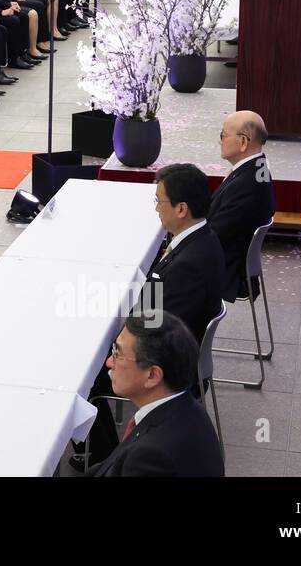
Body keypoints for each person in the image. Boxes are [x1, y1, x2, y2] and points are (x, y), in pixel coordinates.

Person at [85, 162, 225, 464]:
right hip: (177, 342)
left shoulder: (189, 264)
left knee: (86, 374)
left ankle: (103, 454)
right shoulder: (200, 239)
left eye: (160, 201)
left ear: (181, 209)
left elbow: (154, 324)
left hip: (169, 362)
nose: (157, 209)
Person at [85, 314, 225, 477]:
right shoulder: (187, 409)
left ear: (152, 375)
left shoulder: (151, 457)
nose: (109, 362)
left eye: (117, 353)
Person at [208, 110, 276, 302]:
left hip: (224, 269)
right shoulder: (258, 166)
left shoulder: (246, 186)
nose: (220, 141)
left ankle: (149, 319)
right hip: (227, 255)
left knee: (152, 274)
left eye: (223, 135)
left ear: (243, 141)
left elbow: (214, 236)